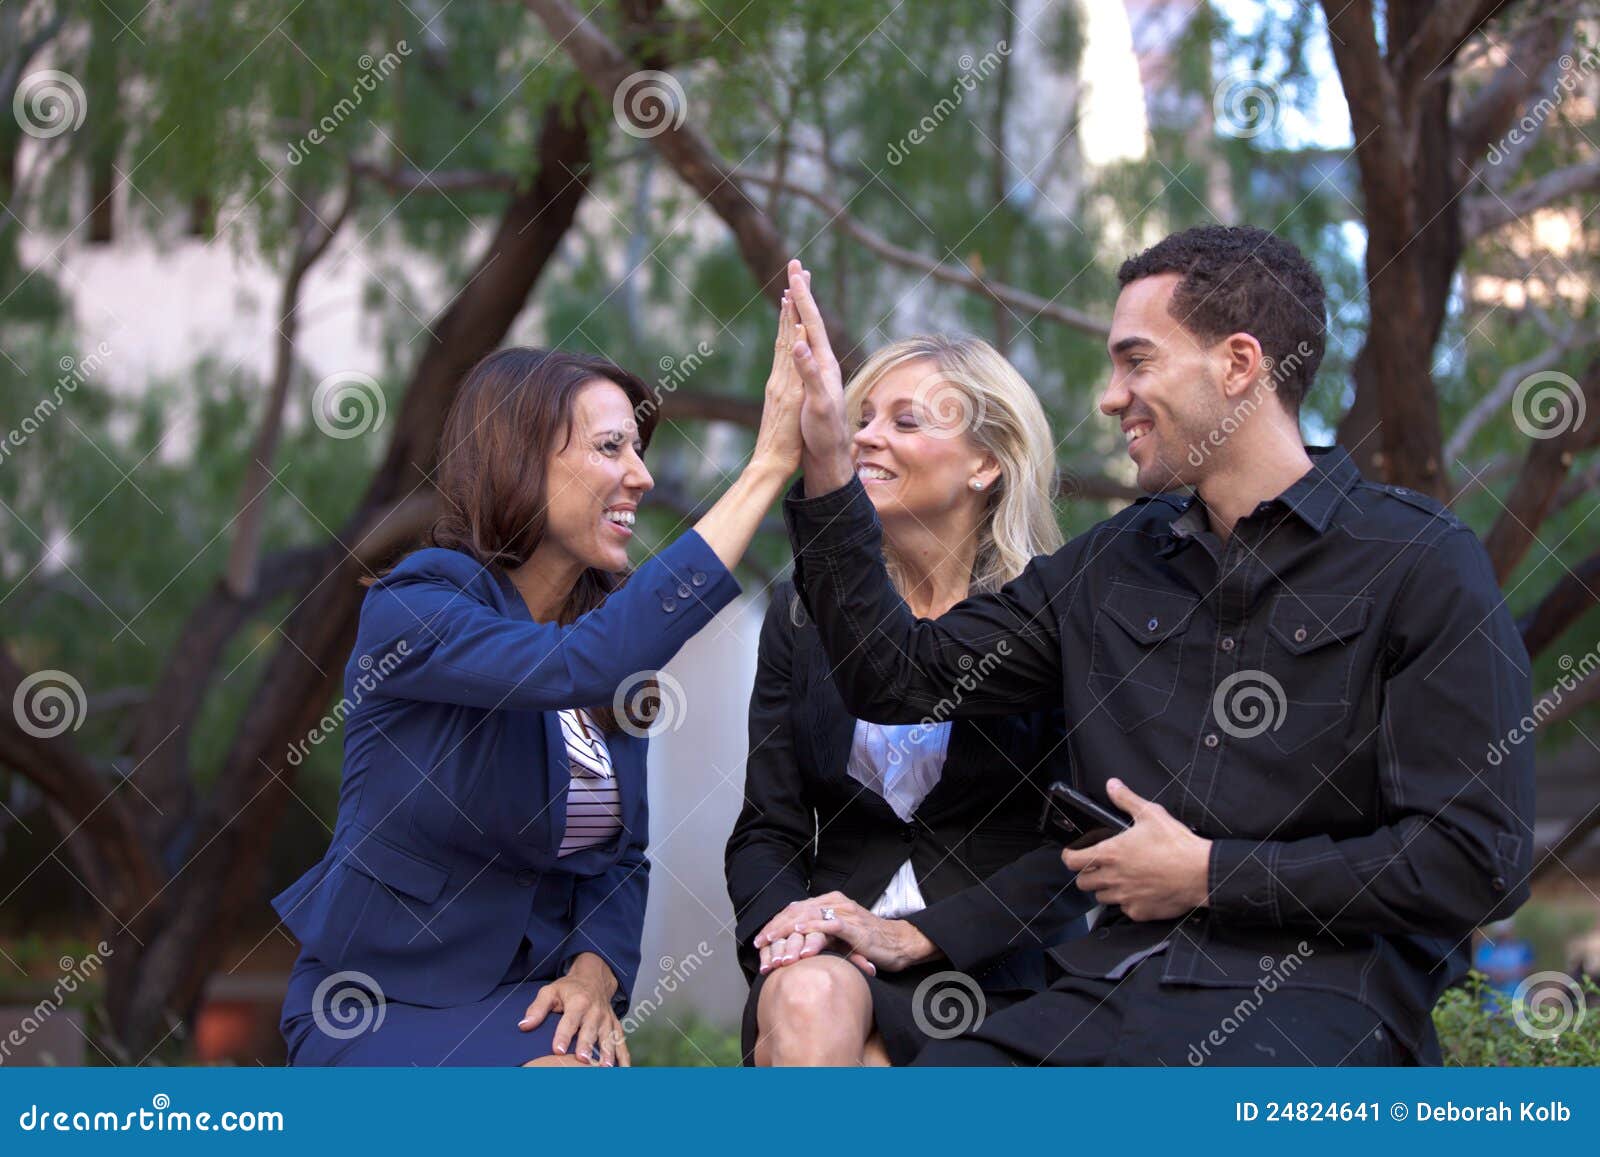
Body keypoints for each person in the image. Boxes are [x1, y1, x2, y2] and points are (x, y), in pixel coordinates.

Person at [776, 231, 1534, 1066]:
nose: (1111, 396)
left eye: (1136, 362)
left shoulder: (1420, 559)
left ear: (1239, 364)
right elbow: (897, 675)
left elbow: (1477, 860)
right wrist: (827, 459)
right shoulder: (1110, 563)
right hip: (1106, 993)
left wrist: (1214, 873)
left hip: (1319, 1006)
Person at [274, 296, 807, 1066]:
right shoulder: (418, 608)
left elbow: (621, 858)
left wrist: (594, 974)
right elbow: (573, 666)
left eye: (639, 450)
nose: (642, 476)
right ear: (520, 458)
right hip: (382, 1001)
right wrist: (768, 466)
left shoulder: (606, 647)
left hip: (531, 1000)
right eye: (611, 447)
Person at [725, 335, 1093, 1066]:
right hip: (834, 957)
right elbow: (768, 827)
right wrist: (791, 933)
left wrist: (920, 935)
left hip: (997, 965)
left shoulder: (1055, 617)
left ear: (986, 462)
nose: (865, 437)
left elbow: (1078, 849)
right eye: (862, 418)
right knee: (806, 998)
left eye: (905, 421)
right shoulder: (802, 613)